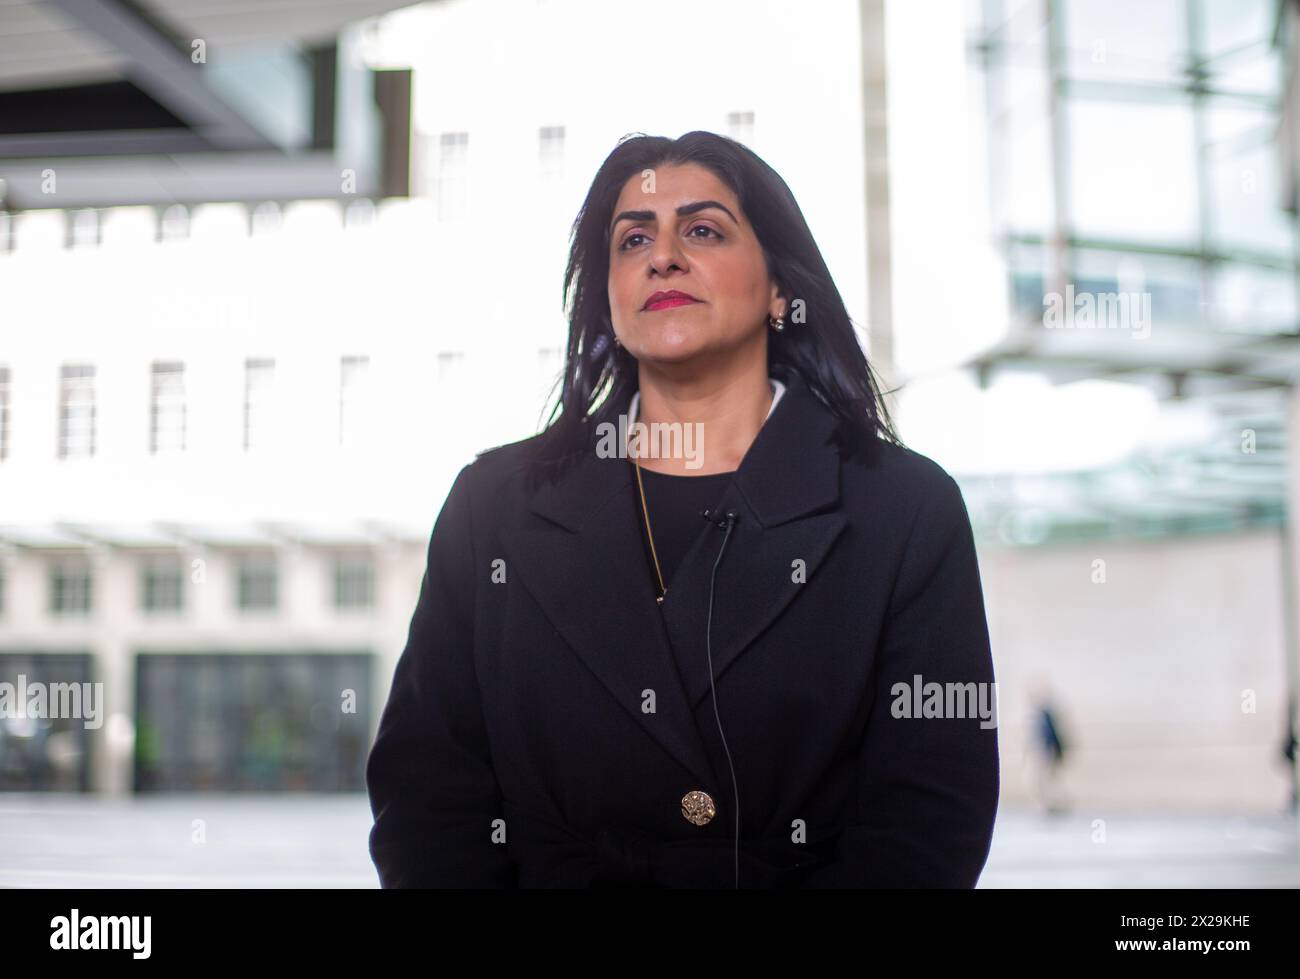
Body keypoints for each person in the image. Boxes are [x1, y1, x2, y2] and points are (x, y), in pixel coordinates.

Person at [365, 130, 1000, 888]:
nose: (662, 255)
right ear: (607, 291)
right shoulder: (493, 507)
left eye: (702, 229)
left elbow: (929, 826)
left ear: (778, 288)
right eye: (633, 238)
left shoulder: (902, 508)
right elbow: (427, 799)